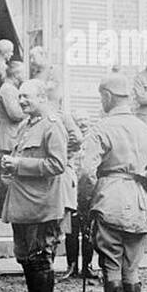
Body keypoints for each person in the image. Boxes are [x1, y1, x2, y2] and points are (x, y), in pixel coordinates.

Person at [78, 73, 147, 292]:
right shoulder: (145, 129)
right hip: (139, 203)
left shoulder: (101, 128)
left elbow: (87, 174)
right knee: (132, 268)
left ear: (107, 97)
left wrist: (84, 205)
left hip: (110, 200)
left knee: (111, 266)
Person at [0, 78, 67, 292]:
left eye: (27, 97)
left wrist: (19, 165)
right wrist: (10, 167)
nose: (21, 101)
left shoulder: (52, 125)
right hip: (22, 203)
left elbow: (57, 165)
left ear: (42, 98)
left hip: (42, 205)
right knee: (26, 258)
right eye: (20, 97)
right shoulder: (27, 125)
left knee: (39, 258)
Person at [59, 107, 91, 279]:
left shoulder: (95, 140)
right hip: (72, 189)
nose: (83, 124)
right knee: (71, 231)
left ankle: (88, 266)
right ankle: (71, 266)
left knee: (89, 231)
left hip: (88, 191)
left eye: (86, 120)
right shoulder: (68, 143)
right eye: (79, 121)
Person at [0, 60, 26, 206]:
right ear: (16, 74)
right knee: (7, 175)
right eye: (23, 72)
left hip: (11, 135)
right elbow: (15, 114)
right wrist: (31, 111)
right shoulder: (8, 89)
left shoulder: (10, 88)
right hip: (10, 136)